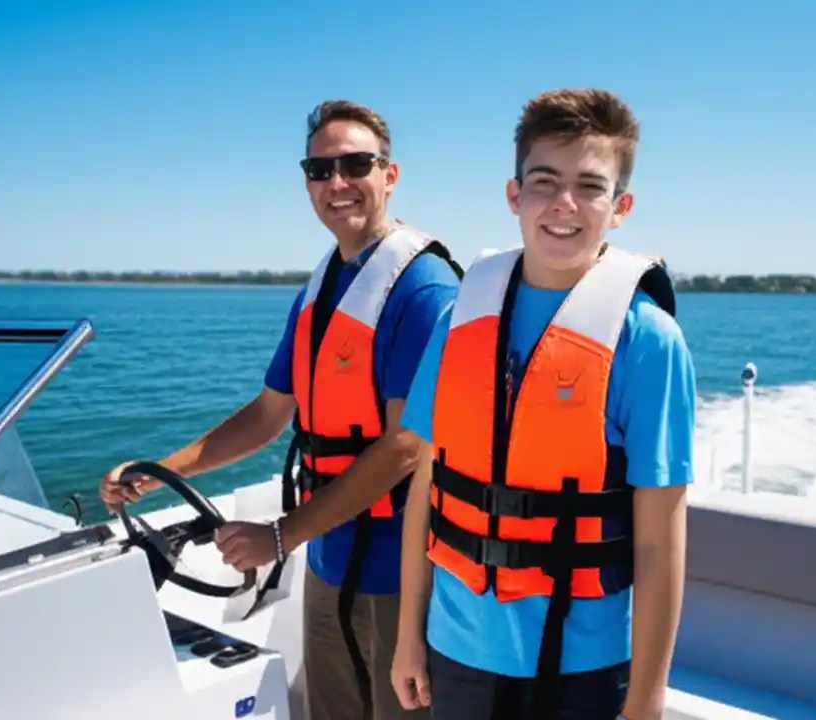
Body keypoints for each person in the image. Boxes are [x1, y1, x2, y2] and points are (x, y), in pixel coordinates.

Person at [100, 99, 462, 720]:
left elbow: (407, 445)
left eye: (355, 164)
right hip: (326, 557)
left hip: (401, 572)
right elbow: (270, 413)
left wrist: (280, 535)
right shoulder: (320, 288)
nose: (337, 183)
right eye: (320, 170)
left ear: (390, 175)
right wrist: (161, 469)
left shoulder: (424, 288)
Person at [389, 88, 696, 720]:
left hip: (581, 670)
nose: (564, 204)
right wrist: (406, 638)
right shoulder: (458, 319)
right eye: (544, 181)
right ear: (514, 195)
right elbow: (427, 482)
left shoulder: (648, 342)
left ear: (621, 207)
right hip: (456, 650)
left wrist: (645, 700)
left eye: (590, 185)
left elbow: (661, 542)